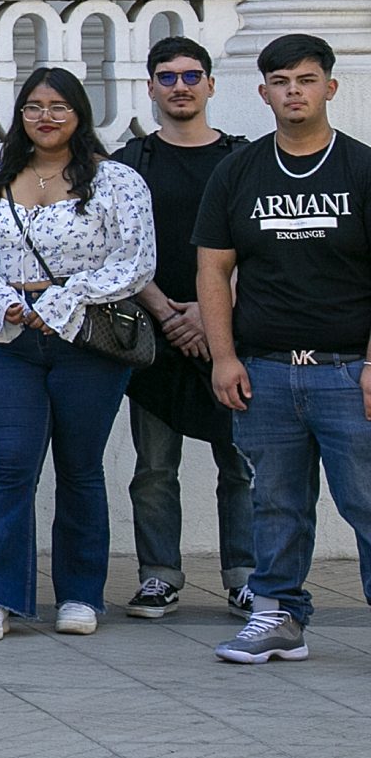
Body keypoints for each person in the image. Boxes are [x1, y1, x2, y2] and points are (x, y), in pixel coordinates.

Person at [0, 65, 156, 640]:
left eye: (59, 106)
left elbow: (136, 261)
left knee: (81, 468)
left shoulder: (116, 181)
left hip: (87, 342)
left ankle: (81, 596)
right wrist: (1, 297)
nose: (46, 117)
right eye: (34, 106)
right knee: (11, 466)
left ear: (79, 114)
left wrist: (65, 298)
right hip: (15, 341)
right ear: (20, 116)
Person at [194, 32, 371, 665]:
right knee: (275, 503)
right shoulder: (238, 172)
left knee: (366, 501)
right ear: (263, 90)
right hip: (265, 373)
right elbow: (213, 271)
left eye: (305, 79)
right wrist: (223, 356)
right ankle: (277, 617)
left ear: (330, 86)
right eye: (280, 81)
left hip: (348, 372)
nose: (293, 91)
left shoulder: (362, 168)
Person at [109, 36, 253, 619]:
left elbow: (258, 247)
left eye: (192, 76)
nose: (180, 87)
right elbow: (114, 249)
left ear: (212, 85)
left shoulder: (244, 161)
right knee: (153, 467)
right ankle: (159, 575)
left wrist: (210, 312)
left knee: (240, 464)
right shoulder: (128, 165)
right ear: (150, 89)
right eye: (166, 78)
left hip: (232, 338)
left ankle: (246, 574)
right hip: (154, 338)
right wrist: (170, 312)